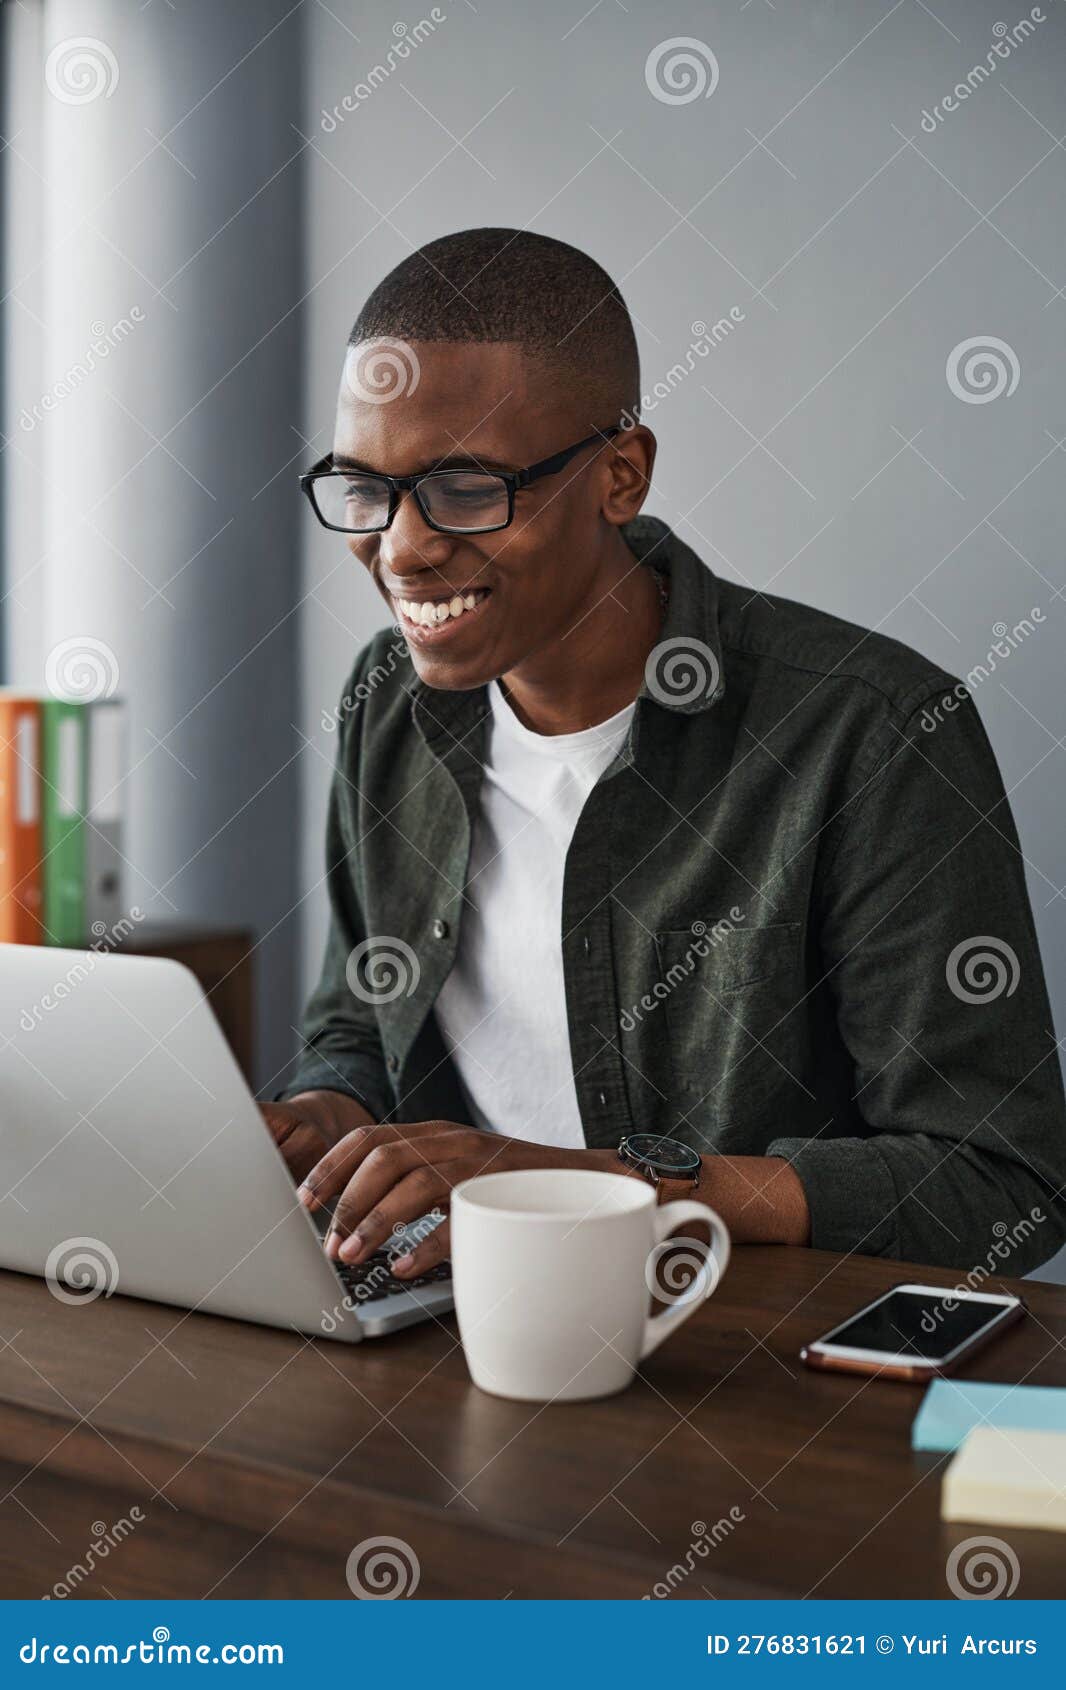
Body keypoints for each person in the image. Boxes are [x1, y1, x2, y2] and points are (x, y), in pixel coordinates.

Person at [262, 227, 1066, 1283]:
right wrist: (327, 1115)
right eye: (362, 489)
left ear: (620, 476)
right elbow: (362, 1017)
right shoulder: (389, 701)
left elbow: (995, 1184)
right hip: (462, 1321)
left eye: (464, 489)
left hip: (745, 1367)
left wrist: (579, 1184)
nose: (401, 548)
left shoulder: (871, 730)